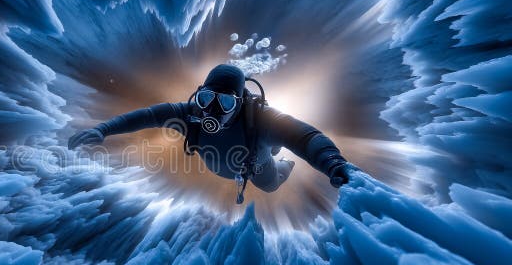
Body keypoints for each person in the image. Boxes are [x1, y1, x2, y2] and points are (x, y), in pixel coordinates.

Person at [68, 64, 351, 203]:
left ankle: (284, 161)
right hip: (224, 164)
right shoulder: (190, 112)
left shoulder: (262, 120)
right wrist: (103, 129)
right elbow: (148, 116)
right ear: (199, 95)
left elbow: (305, 136)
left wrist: (331, 161)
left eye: (225, 102)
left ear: (239, 103)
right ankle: (277, 150)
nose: (212, 110)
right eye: (206, 99)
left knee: (271, 185)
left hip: (256, 167)